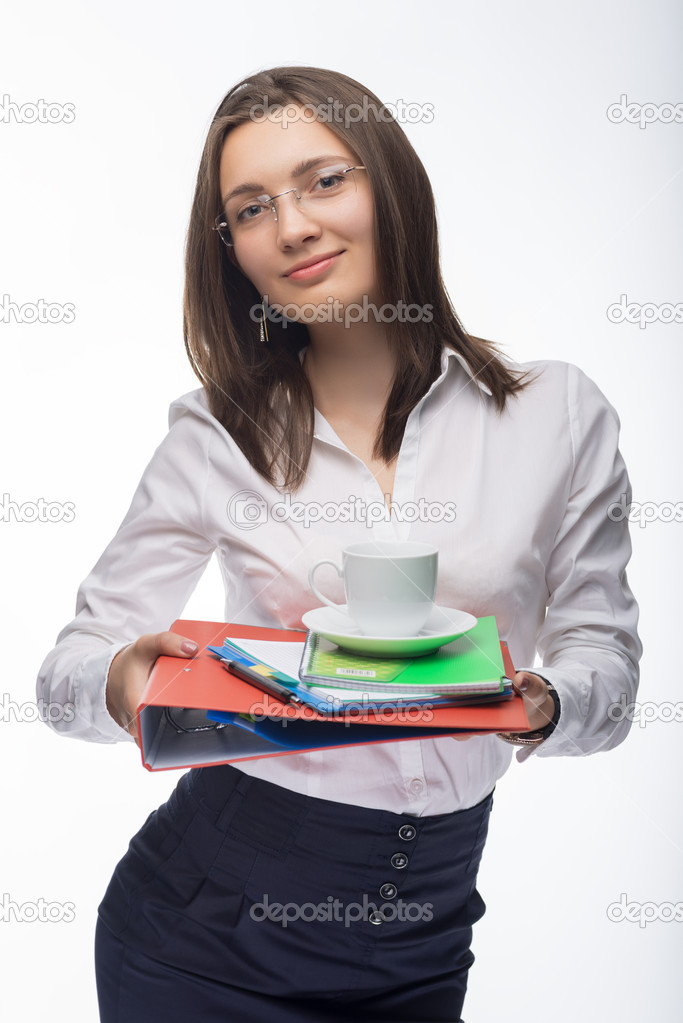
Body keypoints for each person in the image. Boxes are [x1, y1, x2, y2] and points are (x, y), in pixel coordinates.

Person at [37, 65, 642, 1023]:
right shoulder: (215, 432)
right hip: (204, 938)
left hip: (427, 936)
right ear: (232, 248)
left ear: (390, 183)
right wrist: (123, 679)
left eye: (325, 179)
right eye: (250, 207)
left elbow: (604, 655)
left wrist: (541, 703)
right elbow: (67, 668)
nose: (293, 226)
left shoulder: (558, 414)